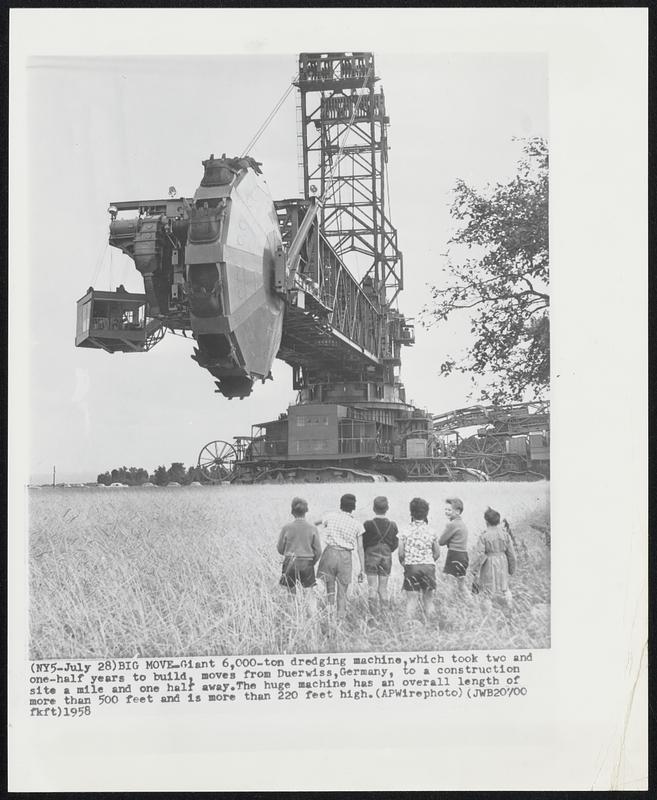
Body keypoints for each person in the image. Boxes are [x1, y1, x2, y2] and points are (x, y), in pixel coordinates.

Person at [315, 493, 365, 621]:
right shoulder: (357, 525)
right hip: (345, 557)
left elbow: (315, 523)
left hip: (330, 554)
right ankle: (340, 622)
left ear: (340, 505)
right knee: (342, 593)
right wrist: (362, 569)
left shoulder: (330, 516)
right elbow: (360, 548)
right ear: (353, 507)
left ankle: (330, 618)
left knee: (330, 590)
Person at [398, 497, 440, 621]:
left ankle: (410, 626)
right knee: (428, 600)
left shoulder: (404, 531)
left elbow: (401, 553)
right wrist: (429, 561)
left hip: (411, 567)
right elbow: (437, 553)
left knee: (411, 600)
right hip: (428, 567)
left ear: (411, 513)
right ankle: (431, 624)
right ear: (426, 513)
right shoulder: (432, 531)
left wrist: (404, 563)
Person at [277, 497, 322, 611]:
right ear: (306, 511)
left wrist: (288, 553)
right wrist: (312, 562)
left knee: (290, 593)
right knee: (310, 593)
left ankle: (293, 615)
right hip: (307, 563)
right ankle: (312, 616)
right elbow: (318, 551)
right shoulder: (312, 528)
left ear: (292, 511)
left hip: (290, 562)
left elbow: (280, 549)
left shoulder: (286, 528)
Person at [470, 507, 517, 609]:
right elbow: (511, 554)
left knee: (487, 592)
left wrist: (474, 570)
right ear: (498, 521)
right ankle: (510, 607)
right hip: (503, 562)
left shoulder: (484, 536)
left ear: (486, 521)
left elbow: (479, 555)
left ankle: (488, 614)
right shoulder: (505, 534)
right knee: (505, 587)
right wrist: (511, 569)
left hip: (489, 563)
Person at [362, 496, 399, 620]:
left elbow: (363, 543)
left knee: (372, 588)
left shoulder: (368, 524)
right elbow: (395, 543)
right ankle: (385, 616)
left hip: (371, 556)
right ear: (387, 508)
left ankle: (372, 617)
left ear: (373, 508)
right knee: (383, 588)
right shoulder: (392, 525)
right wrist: (387, 550)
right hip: (386, 556)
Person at [439, 497, 470, 595]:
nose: (446, 512)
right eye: (446, 509)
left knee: (449, 583)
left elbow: (441, 541)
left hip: (454, 555)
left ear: (457, 511)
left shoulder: (451, 525)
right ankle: (471, 601)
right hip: (464, 556)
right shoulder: (462, 524)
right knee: (461, 585)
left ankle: (448, 602)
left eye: (449, 510)